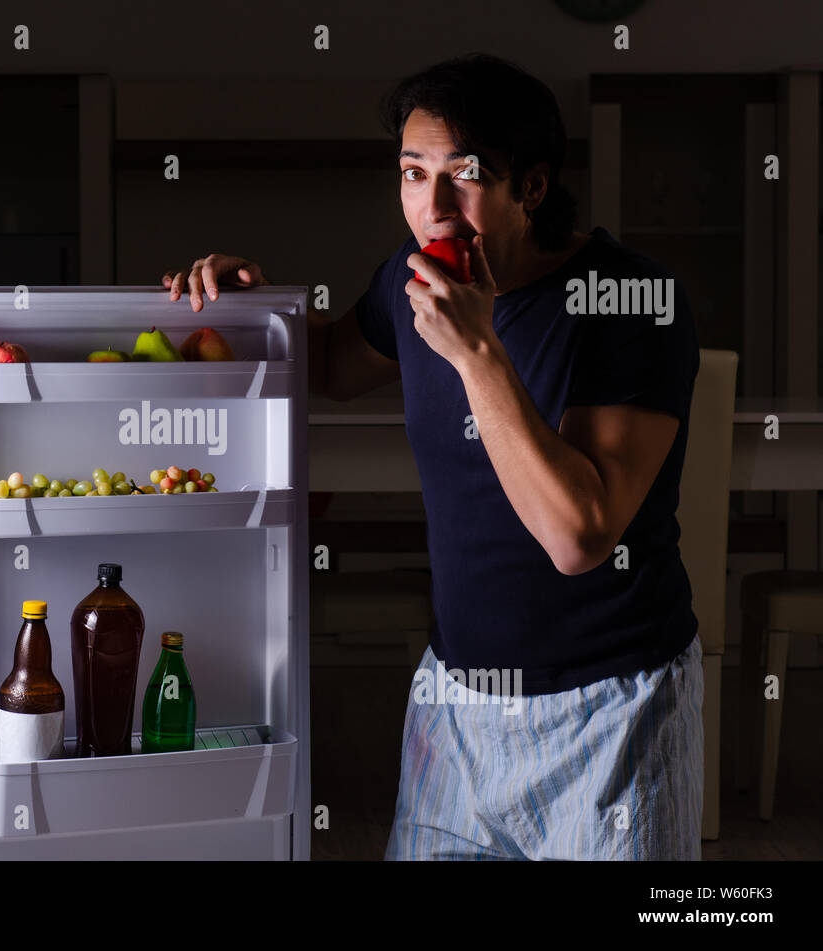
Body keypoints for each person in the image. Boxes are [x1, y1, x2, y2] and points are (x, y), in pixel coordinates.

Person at [161, 53, 703, 861]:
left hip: (612, 710)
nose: (435, 207)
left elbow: (579, 535)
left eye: (465, 175)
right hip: (455, 706)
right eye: (414, 174)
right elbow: (331, 365)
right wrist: (249, 311)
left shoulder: (631, 301)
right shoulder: (406, 283)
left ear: (532, 187)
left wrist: (477, 351)